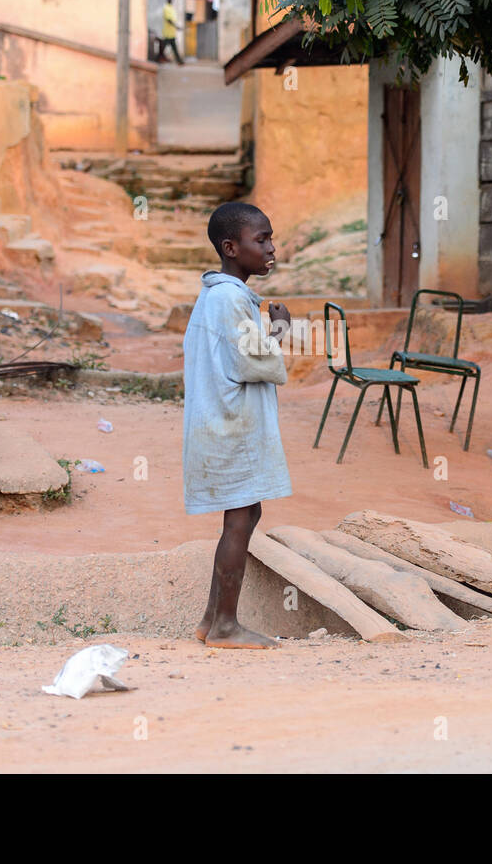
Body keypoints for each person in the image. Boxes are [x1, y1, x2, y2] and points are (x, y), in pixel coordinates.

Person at [183, 202, 292, 649]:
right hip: (233, 427)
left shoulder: (220, 295)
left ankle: (212, 620)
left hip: (223, 421)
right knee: (241, 515)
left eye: (270, 239)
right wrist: (281, 329)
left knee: (245, 514)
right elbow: (254, 361)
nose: (270, 249)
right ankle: (226, 626)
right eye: (260, 240)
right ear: (231, 248)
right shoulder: (229, 298)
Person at [159, 0, 184, 65]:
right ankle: (158, 59)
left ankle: (179, 61)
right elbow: (168, 20)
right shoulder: (166, 8)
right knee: (163, 48)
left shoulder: (172, 8)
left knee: (173, 48)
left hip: (172, 33)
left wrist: (175, 27)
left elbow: (172, 19)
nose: (170, 0)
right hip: (167, 33)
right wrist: (176, 26)